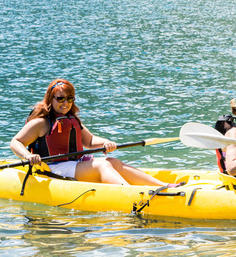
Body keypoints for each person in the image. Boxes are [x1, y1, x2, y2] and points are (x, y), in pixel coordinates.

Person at [9, 79, 166, 186]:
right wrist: (28, 156)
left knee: (112, 161)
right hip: (54, 168)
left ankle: (164, 186)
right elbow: (15, 142)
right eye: (61, 99)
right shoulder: (41, 123)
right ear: (51, 99)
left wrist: (105, 143)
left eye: (70, 99)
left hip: (75, 164)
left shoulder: (72, 120)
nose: (65, 103)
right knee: (102, 166)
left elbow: (89, 141)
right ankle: (132, 194)